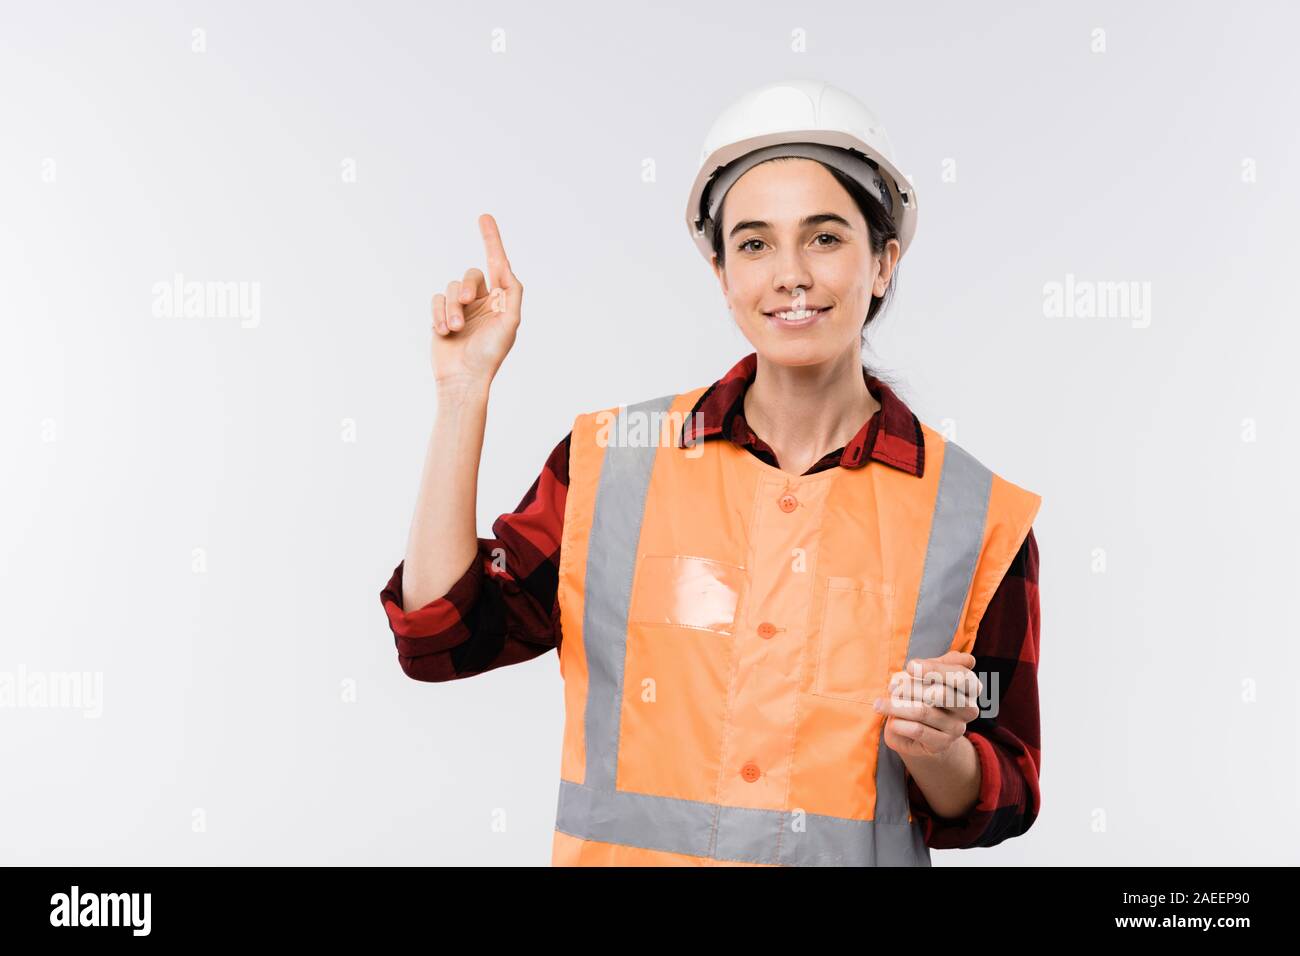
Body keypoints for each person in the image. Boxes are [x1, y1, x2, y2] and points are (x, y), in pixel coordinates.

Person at [381, 79, 1042, 866]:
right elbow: (440, 639)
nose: (790, 274)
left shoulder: (975, 515)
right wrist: (463, 397)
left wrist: (936, 749)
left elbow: (1007, 793)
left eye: (826, 238)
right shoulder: (612, 464)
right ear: (723, 275)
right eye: (755, 243)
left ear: (882, 263)